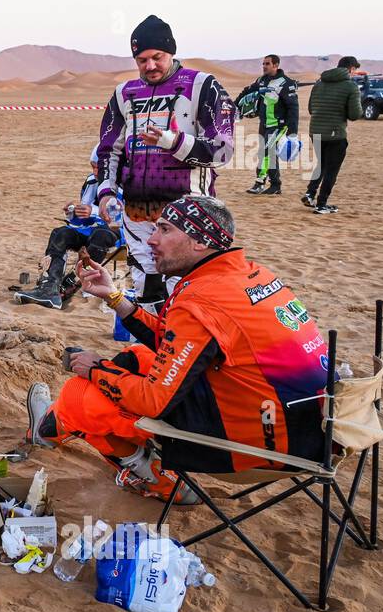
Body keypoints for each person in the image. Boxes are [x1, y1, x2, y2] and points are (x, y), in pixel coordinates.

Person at [24, 195, 328, 504]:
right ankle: (54, 425)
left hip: (256, 447)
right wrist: (115, 297)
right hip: (307, 430)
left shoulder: (202, 301)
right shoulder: (250, 276)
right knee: (137, 357)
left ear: (198, 241)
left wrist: (95, 369)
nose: (152, 239)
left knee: (79, 394)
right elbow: (179, 342)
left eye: (165, 230)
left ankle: (151, 476)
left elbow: (154, 401)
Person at [94, 15, 235, 307]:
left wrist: (172, 142)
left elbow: (223, 150)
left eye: (157, 57)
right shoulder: (124, 93)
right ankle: (147, 346)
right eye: (141, 60)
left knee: (183, 284)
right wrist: (106, 192)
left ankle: (182, 346)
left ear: (170, 51)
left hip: (186, 208)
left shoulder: (202, 85)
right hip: (135, 208)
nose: (150, 66)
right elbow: (109, 148)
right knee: (143, 278)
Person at [16, 171, 121, 310]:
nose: (96, 171)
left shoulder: (125, 180)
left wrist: (93, 211)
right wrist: (73, 214)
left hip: (115, 234)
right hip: (88, 230)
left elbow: (121, 217)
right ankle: (49, 288)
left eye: (99, 166)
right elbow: (85, 220)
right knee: (61, 233)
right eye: (93, 166)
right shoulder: (91, 180)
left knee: (101, 235)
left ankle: (70, 285)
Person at [304, 56, 363, 213]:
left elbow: (311, 109)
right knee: (331, 170)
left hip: (315, 131)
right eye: (354, 70)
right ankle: (322, 204)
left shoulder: (318, 84)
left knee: (321, 164)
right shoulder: (351, 87)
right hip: (336, 134)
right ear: (350, 68)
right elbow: (354, 114)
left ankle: (310, 193)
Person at [235, 54, 299, 195]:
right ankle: (275, 185)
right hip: (264, 124)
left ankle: (260, 183)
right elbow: (248, 90)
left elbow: (293, 108)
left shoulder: (285, 83)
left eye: (267, 64)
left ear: (276, 65)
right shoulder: (262, 80)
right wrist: (235, 105)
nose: (264, 66)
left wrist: (292, 133)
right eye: (263, 63)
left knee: (266, 153)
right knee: (266, 153)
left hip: (279, 125)